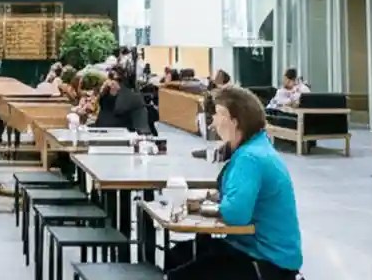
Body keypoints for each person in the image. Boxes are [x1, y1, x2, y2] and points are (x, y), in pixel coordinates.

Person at [167, 87, 302, 280]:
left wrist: (207, 207)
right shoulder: (256, 148)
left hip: (266, 261)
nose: (213, 122)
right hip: (256, 250)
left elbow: (236, 214)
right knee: (177, 255)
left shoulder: (250, 158)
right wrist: (211, 197)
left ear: (235, 121)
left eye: (218, 114)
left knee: (179, 276)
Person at [94, 69, 150, 133]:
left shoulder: (132, 97)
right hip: (101, 133)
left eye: (114, 80)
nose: (108, 83)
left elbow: (120, 107)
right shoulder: (105, 95)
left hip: (119, 136)